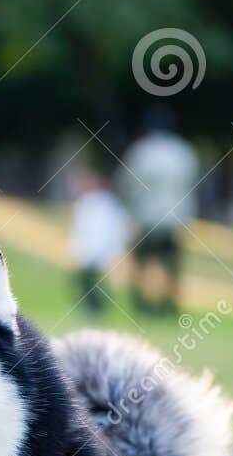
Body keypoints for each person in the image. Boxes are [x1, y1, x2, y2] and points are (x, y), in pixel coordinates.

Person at [121, 107, 198, 316]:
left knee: (141, 264)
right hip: (175, 219)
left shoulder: (141, 151)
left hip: (148, 218)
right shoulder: (183, 151)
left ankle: (143, 306)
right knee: (172, 266)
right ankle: (169, 306)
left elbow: (129, 183)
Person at [68, 167, 129, 313]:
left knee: (94, 280)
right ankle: (91, 306)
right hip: (91, 249)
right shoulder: (89, 203)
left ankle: (96, 307)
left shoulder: (100, 204)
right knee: (87, 279)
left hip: (97, 249)